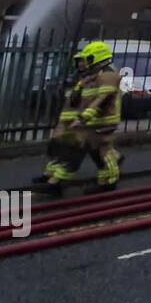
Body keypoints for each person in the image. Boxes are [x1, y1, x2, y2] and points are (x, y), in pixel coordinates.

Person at [34, 41, 123, 196]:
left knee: (88, 152)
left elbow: (100, 100)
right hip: (88, 122)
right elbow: (79, 101)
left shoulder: (108, 75)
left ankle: (107, 182)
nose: (83, 63)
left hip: (99, 122)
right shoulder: (90, 77)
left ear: (97, 57)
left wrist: (82, 118)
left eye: (87, 59)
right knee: (81, 151)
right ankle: (56, 181)